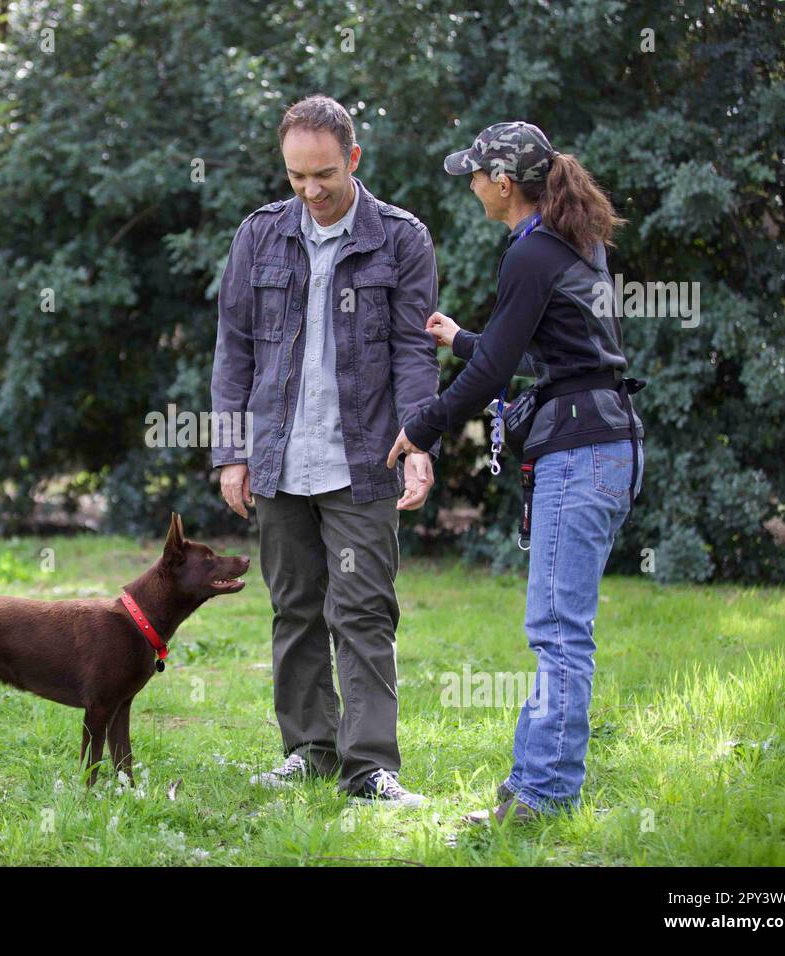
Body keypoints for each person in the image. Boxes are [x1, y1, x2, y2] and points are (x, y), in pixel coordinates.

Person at [387, 121, 645, 823]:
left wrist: (421, 427)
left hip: (581, 450)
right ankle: (528, 787)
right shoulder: (575, 244)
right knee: (556, 627)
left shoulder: (532, 255)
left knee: (559, 631)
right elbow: (548, 355)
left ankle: (543, 797)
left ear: (503, 183)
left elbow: (495, 373)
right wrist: (464, 339)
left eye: (475, 174)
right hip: (607, 442)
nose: (470, 186)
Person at [210, 95, 440, 806]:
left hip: (365, 457)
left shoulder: (400, 239)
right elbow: (234, 346)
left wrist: (421, 442)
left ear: (354, 160)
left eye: (324, 176)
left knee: (364, 611)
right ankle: (309, 749)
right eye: (296, 177)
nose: (311, 191)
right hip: (279, 459)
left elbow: (413, 350)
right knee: (295, 609)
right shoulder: (260, 236)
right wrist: (231, 451)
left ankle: (368, 767)